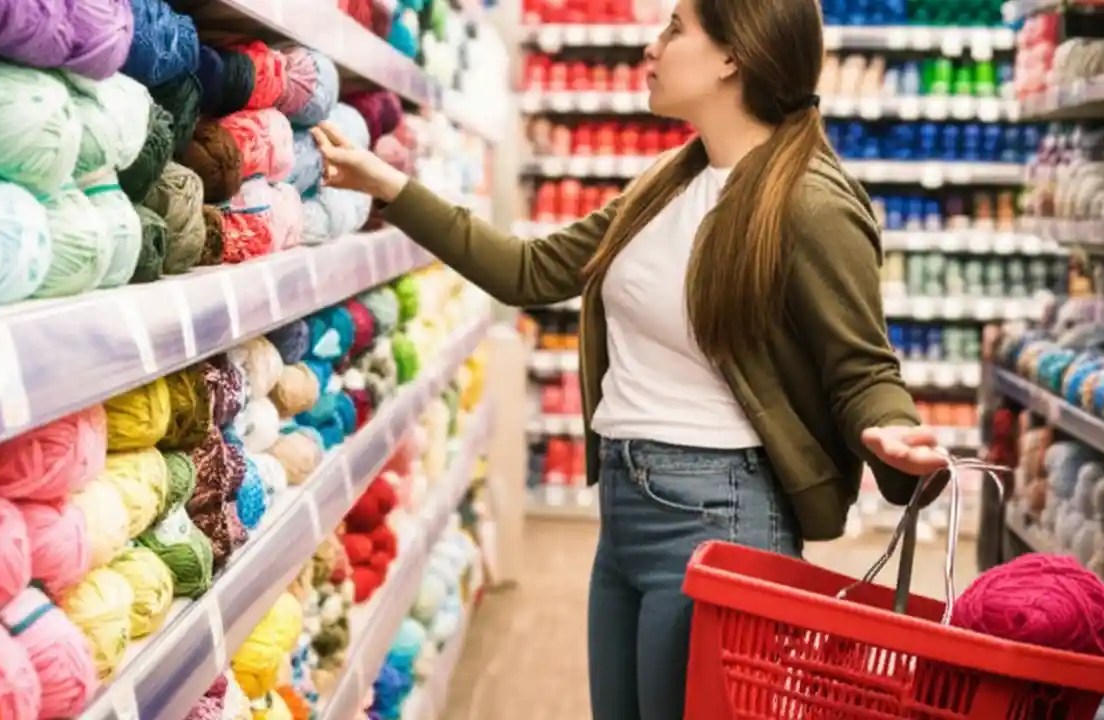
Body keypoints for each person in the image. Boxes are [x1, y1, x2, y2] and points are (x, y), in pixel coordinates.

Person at [312, 0, 949, 716]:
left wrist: (891, 431)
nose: (654, 44)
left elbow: (863, 367)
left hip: (720, 514)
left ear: (732, 56)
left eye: (676, 27)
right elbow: (530, 271)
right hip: (626, 506)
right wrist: (387, 186)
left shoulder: (808, 200)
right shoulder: (671, 181)